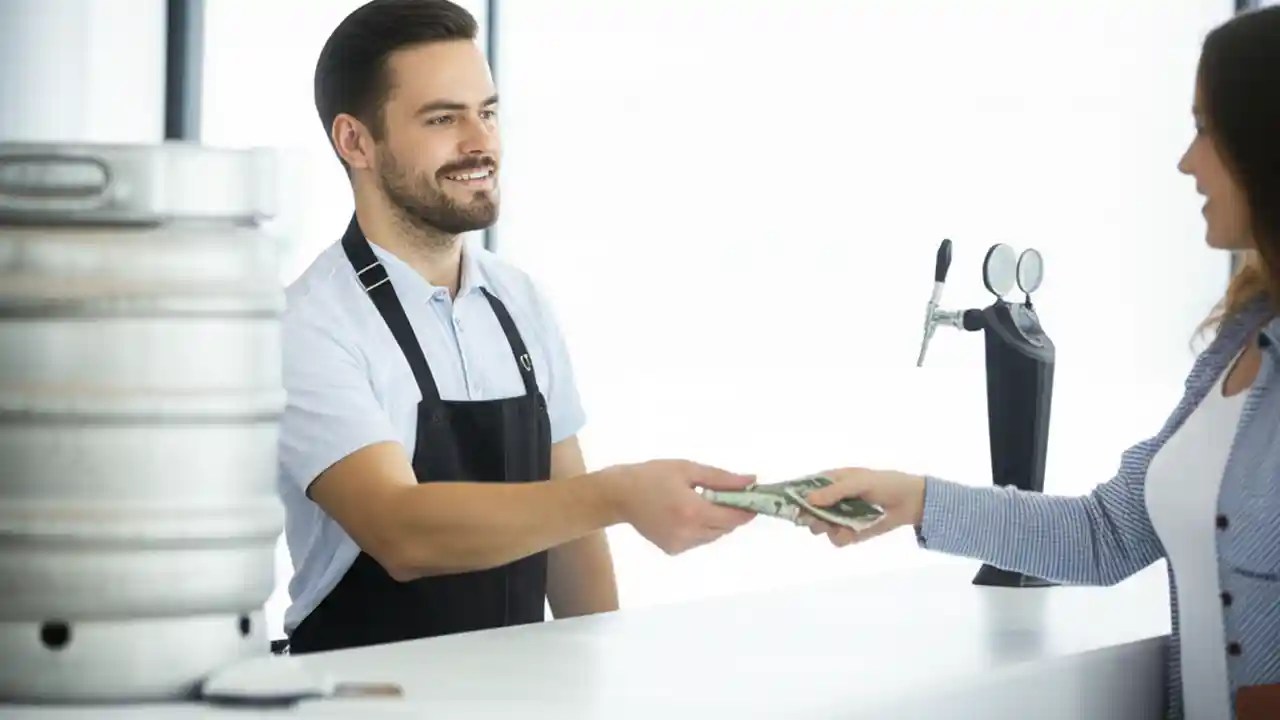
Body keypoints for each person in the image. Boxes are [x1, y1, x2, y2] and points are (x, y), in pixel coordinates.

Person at [798, 7, 1280, 719]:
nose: (1186, 161)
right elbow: (1107, 535)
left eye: (1205, 129)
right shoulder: (1239, 338)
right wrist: (911, 499)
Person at [274, 0, 755, 654]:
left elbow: (573, 539)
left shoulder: (519, 300)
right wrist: (618, 494)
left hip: (514, 690)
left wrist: (603, 675)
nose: (480, 142)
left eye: (488, 112)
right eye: (444, 118)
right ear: (355, 141)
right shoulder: (309, 324)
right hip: (361, 696)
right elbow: (402, 532)